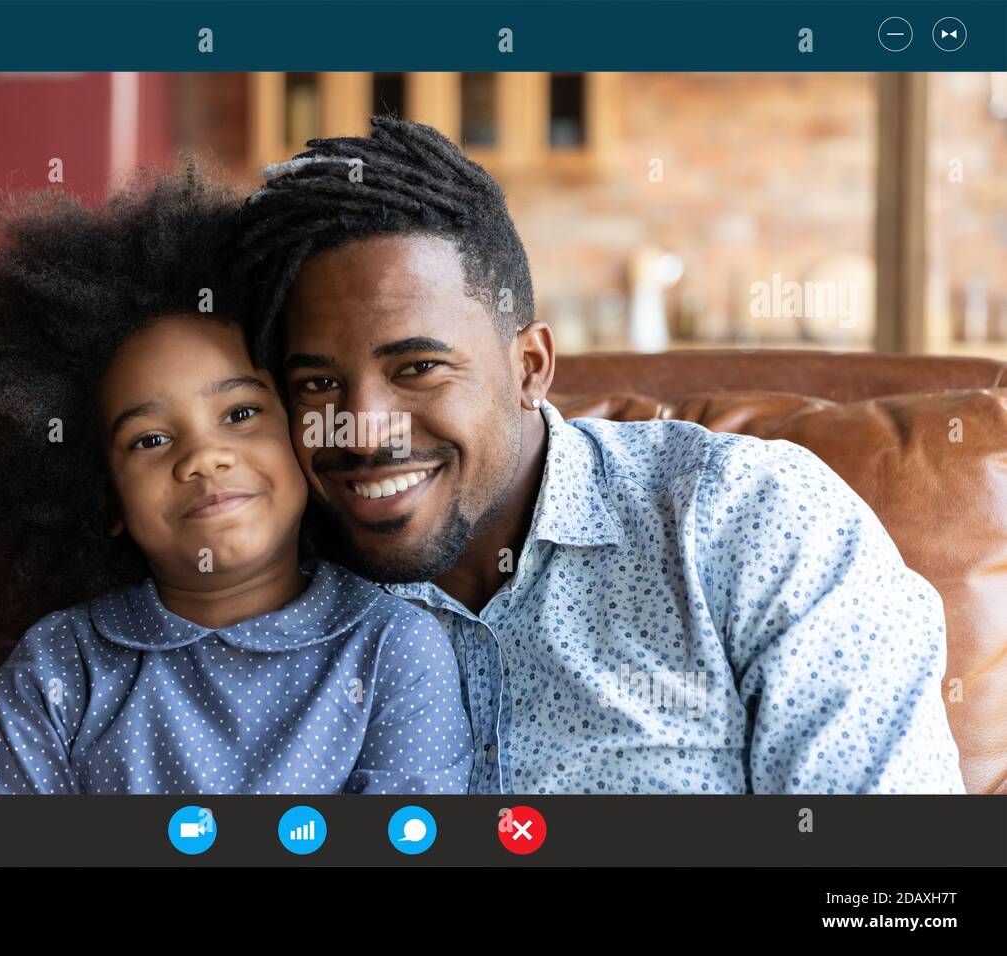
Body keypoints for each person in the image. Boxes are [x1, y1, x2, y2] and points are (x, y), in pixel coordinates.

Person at [233, 116, 967, 795]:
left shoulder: (755, 524)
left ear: (530, 367)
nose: (363, 431)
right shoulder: (261, 585)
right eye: (320, 383)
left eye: (419, 368)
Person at [0, 169, 471, 794]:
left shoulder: (393, 650)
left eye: (240, 415)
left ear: (303, 438)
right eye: (150, 441)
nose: (203, 458)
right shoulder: (55, 668)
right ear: (105, 494)